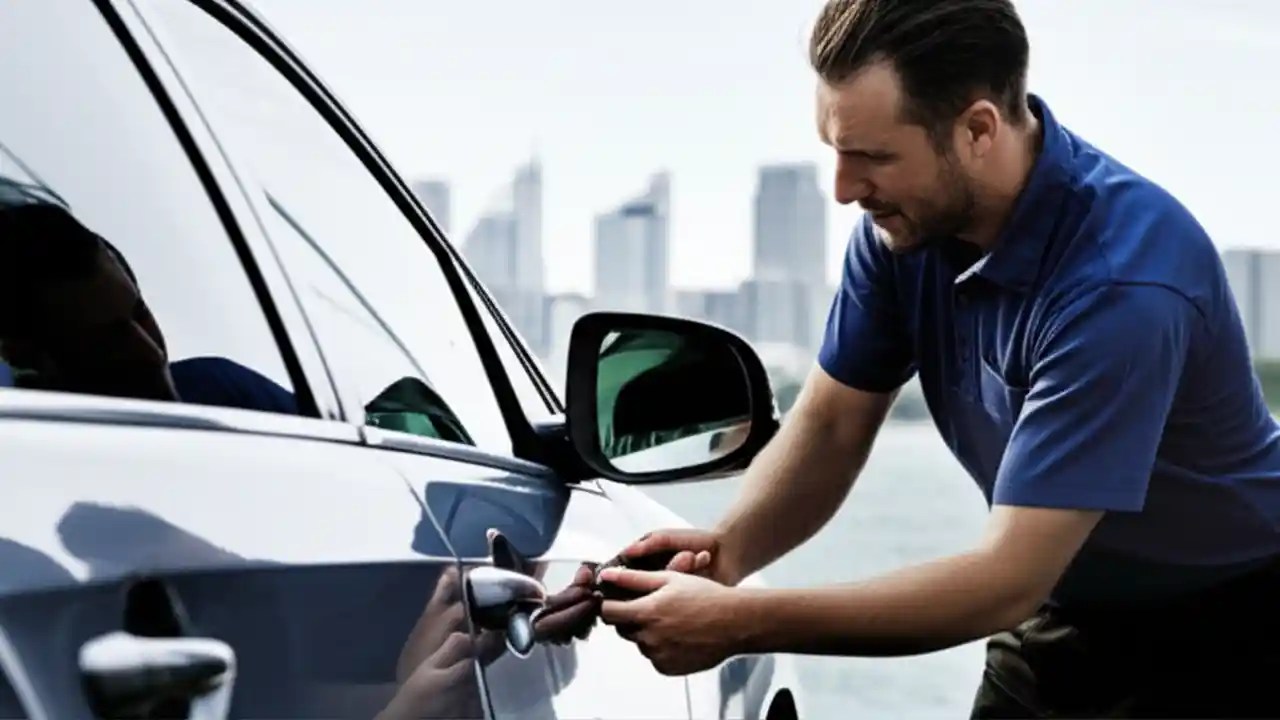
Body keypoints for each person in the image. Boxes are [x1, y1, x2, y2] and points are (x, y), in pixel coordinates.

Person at [595, 0, 1280, 716]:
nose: (844, 189)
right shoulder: (902, 232)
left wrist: (740, 623)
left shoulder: (1122, 285)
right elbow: (832, 426)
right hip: (1061, 604)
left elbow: (1005, 579)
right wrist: (723, 555)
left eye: (873, 157)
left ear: (978, 130)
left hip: (1234, 626)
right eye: (835, 151)